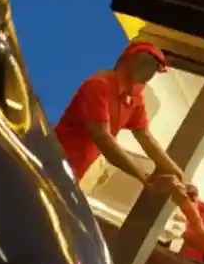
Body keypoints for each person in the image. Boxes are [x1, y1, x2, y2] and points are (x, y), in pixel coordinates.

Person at [54, 40, 185, 195]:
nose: (150, 73)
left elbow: (146, 138)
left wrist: (181, 178)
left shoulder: (134, 99)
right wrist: (143, 177)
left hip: (71, 174)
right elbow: (103, 139)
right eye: (150, 66)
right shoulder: (99, 86)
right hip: (53, 162)